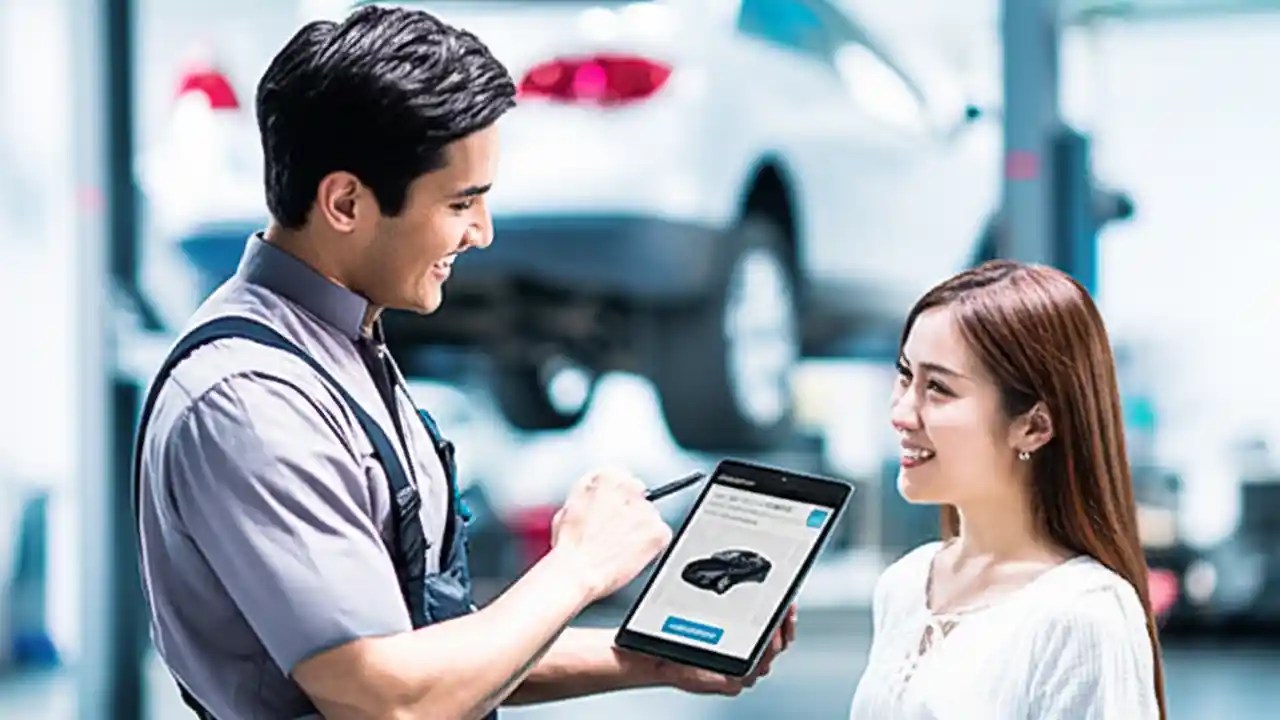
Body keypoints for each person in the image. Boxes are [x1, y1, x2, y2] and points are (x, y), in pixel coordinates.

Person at [133, 6, 794, 720]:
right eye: (461, 203)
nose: (482, 233)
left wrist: (646, 658)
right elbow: (387, 698)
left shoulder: (343, 350)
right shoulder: (248, 402)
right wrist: (578, 567)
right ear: (346, 202)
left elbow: (436, 650)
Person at [848, 260, 1166, 719]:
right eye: (904, 376)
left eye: (937, 388)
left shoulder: (1082, 616)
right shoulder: (905, 585)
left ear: (1035, 426)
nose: (901, 411)